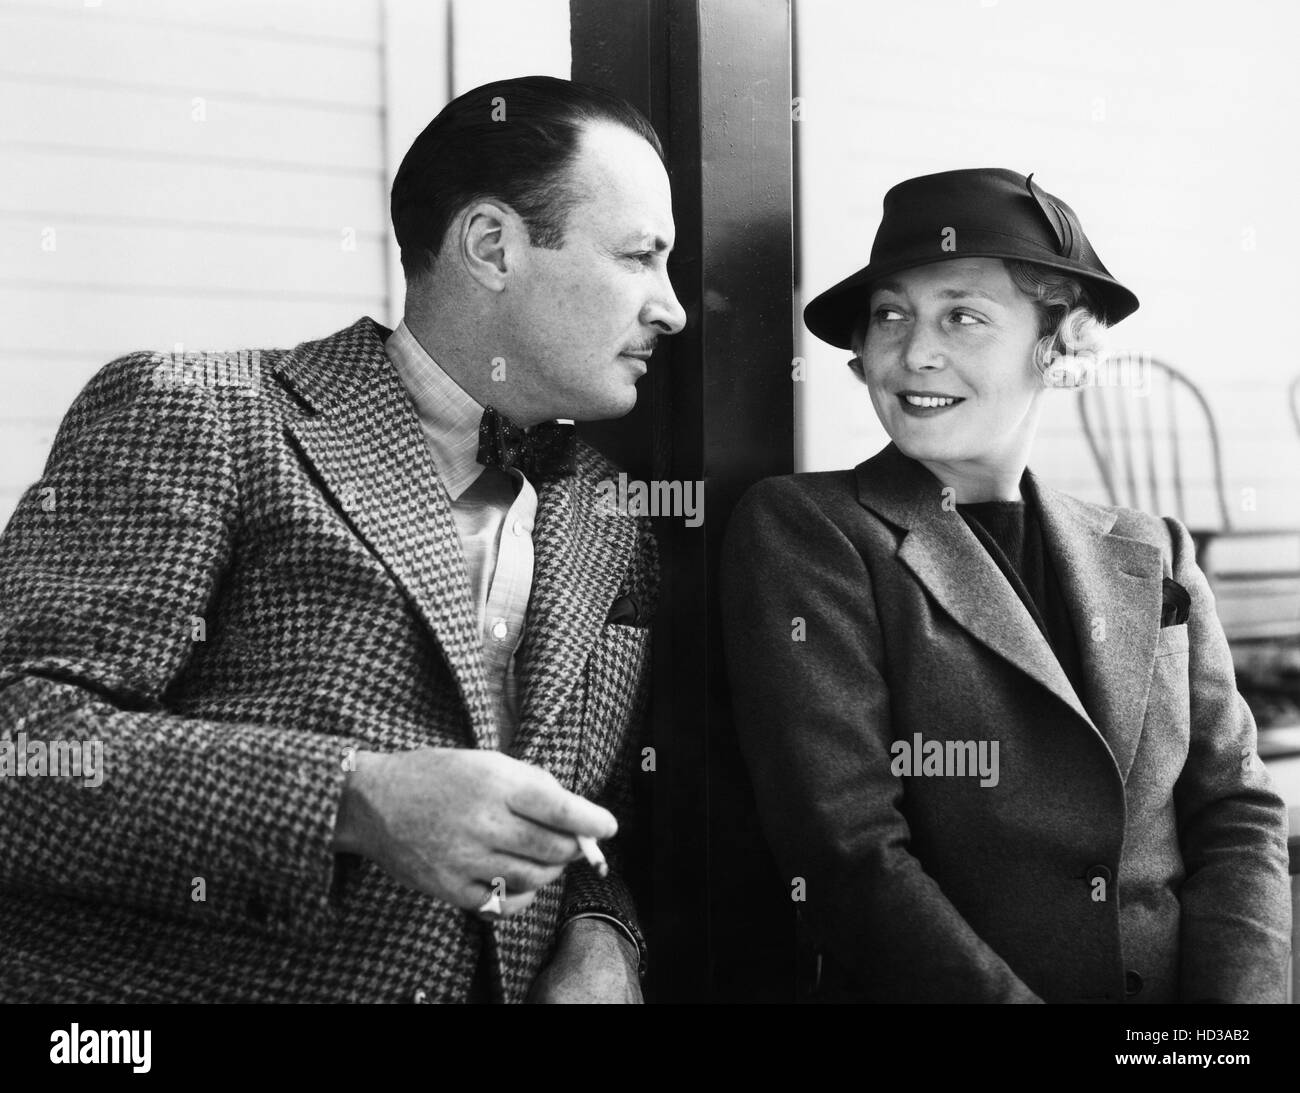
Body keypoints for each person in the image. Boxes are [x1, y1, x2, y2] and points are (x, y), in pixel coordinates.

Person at [0, 75, 685, 1004]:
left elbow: (601, 810)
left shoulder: (609, 517)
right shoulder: (200, 414)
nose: (672, 309)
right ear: (491, 246)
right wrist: (353, 798)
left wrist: (601, 932)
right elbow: (21, 742)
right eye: (640, 257)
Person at [721, 168, 1291, 1003]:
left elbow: (1236, 812)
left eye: (963, 315)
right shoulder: (810, 530)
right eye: (890, 315)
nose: (915, 352)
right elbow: (849, 851)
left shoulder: (1153, 547)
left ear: (1057, 347)